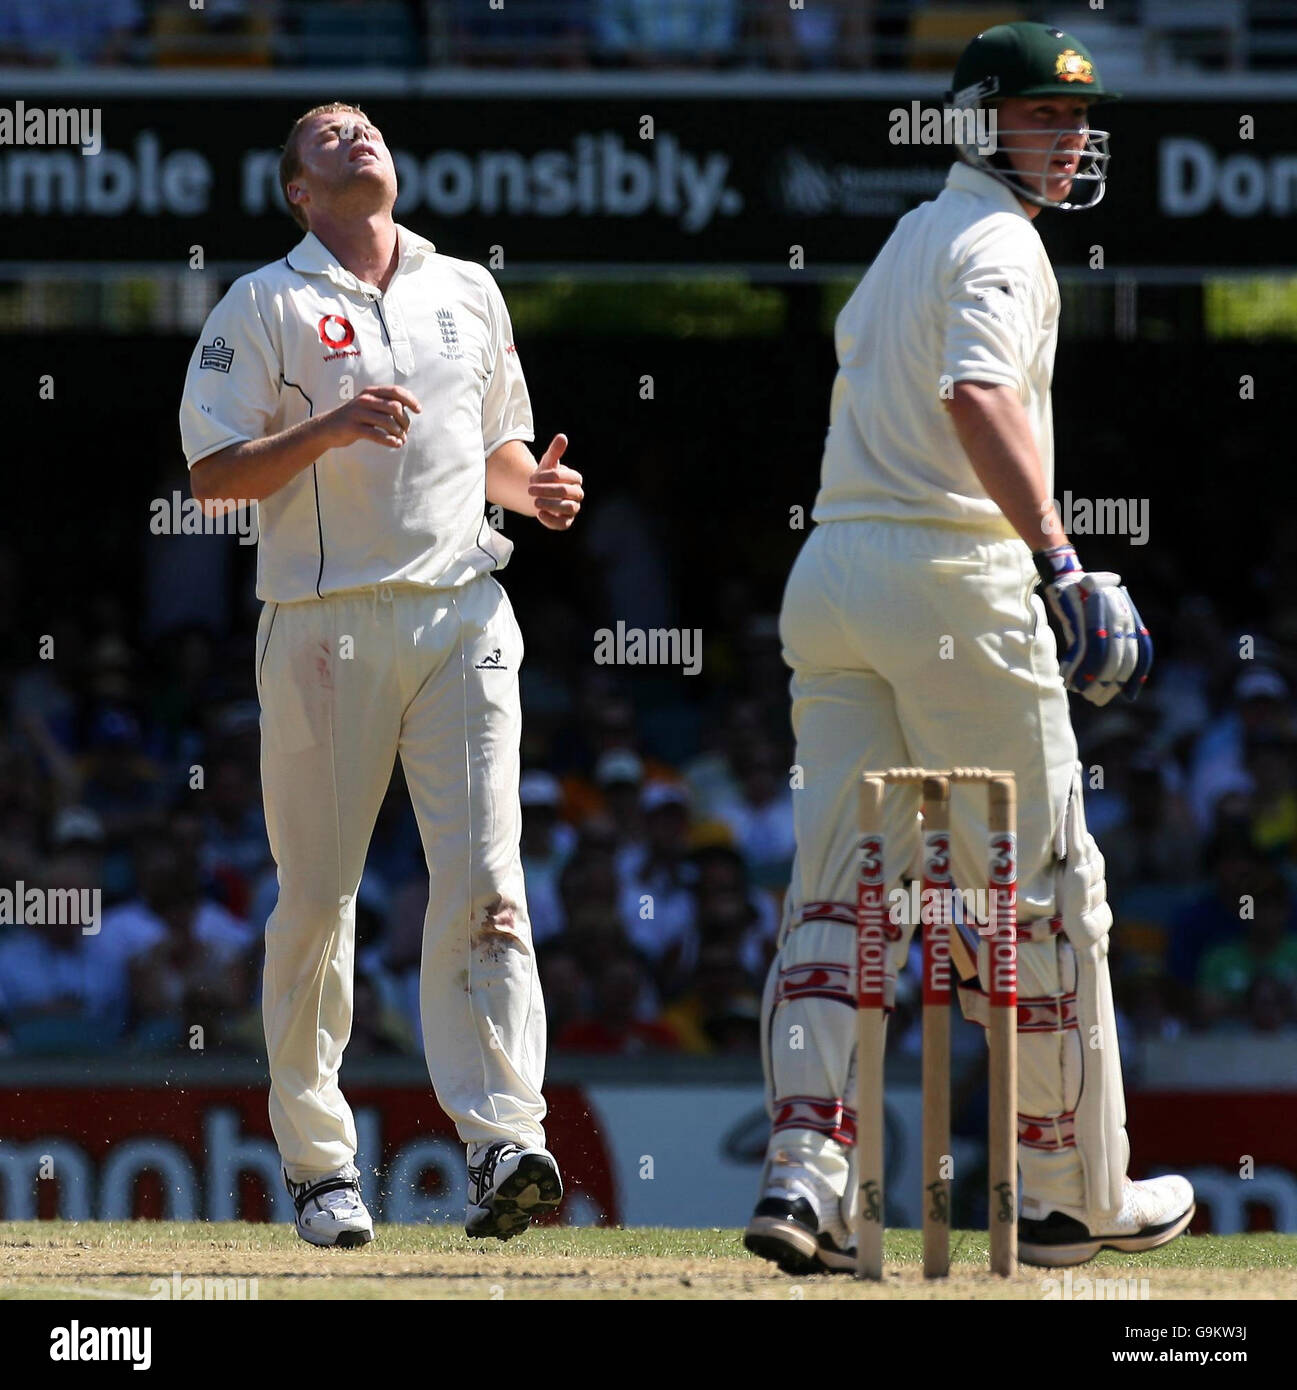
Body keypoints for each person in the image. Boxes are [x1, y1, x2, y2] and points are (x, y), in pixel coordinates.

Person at [744, 23, 1194, 1274]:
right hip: (951, 576)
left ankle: (805, 1179)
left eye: (1078, 121)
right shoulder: (1000, 241)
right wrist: (1057, 559)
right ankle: (1066, 1192)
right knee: (1048, 888)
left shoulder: (904, 240)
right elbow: (977, 392)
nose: (1070, 140)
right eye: (1044, 118)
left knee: (840, 889)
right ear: (978, 124)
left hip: (833, 578)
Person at [179, 103, 583, 1248]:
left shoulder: (467, 288)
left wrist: (531, 493)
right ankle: (319, 1168)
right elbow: (212, 473)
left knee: (490, 878)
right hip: (322, 623)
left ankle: (505, 1136)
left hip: (466, 610)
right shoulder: (265, 302)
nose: (352, 137)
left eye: (364, 127)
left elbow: (495, 447)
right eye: (324, 135)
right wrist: (332, 426)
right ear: (297, 190)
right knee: (317, 901)